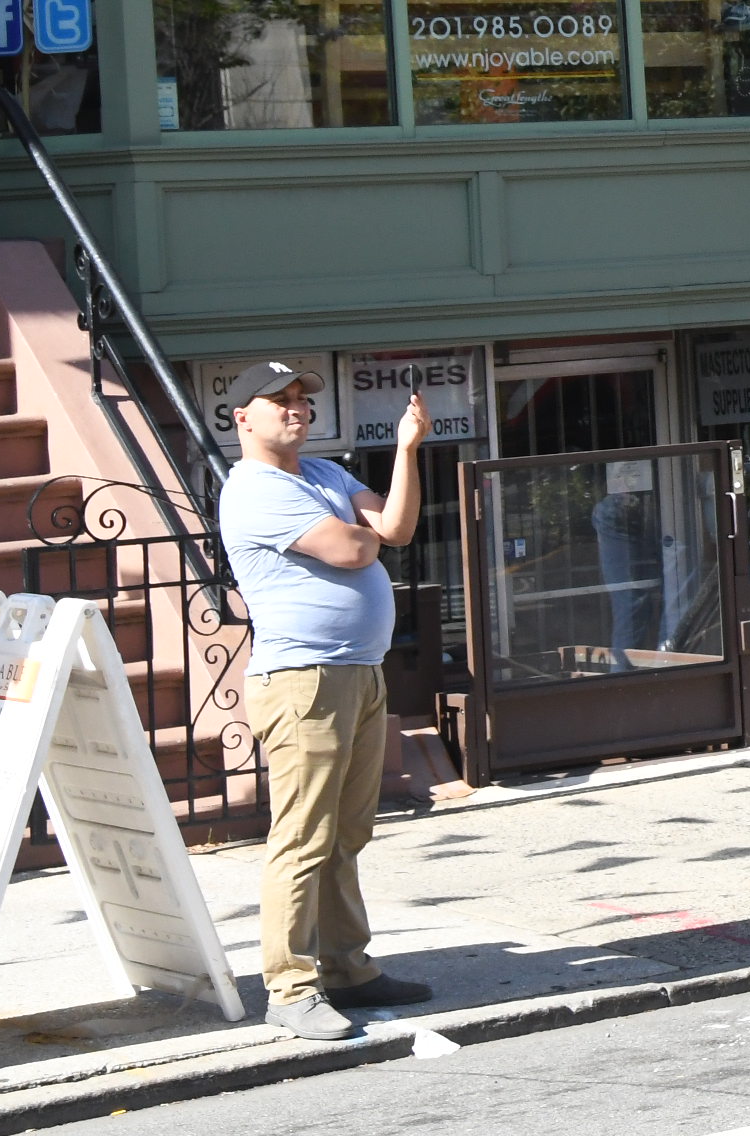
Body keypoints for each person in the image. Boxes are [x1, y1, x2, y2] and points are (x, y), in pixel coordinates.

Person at [216, 360, 436, 1041]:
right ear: (241, 418)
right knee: (304, 836)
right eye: (277, 401)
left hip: (359, 673)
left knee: (348, 832)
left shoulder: (323, 476)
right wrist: (366, 538)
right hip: (302, 681)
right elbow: (350, 549)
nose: (295, 410)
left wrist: (406, 449)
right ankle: (290, 986)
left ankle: (347, 967)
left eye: (300, 400)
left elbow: (396, 530)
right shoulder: (254, 489)